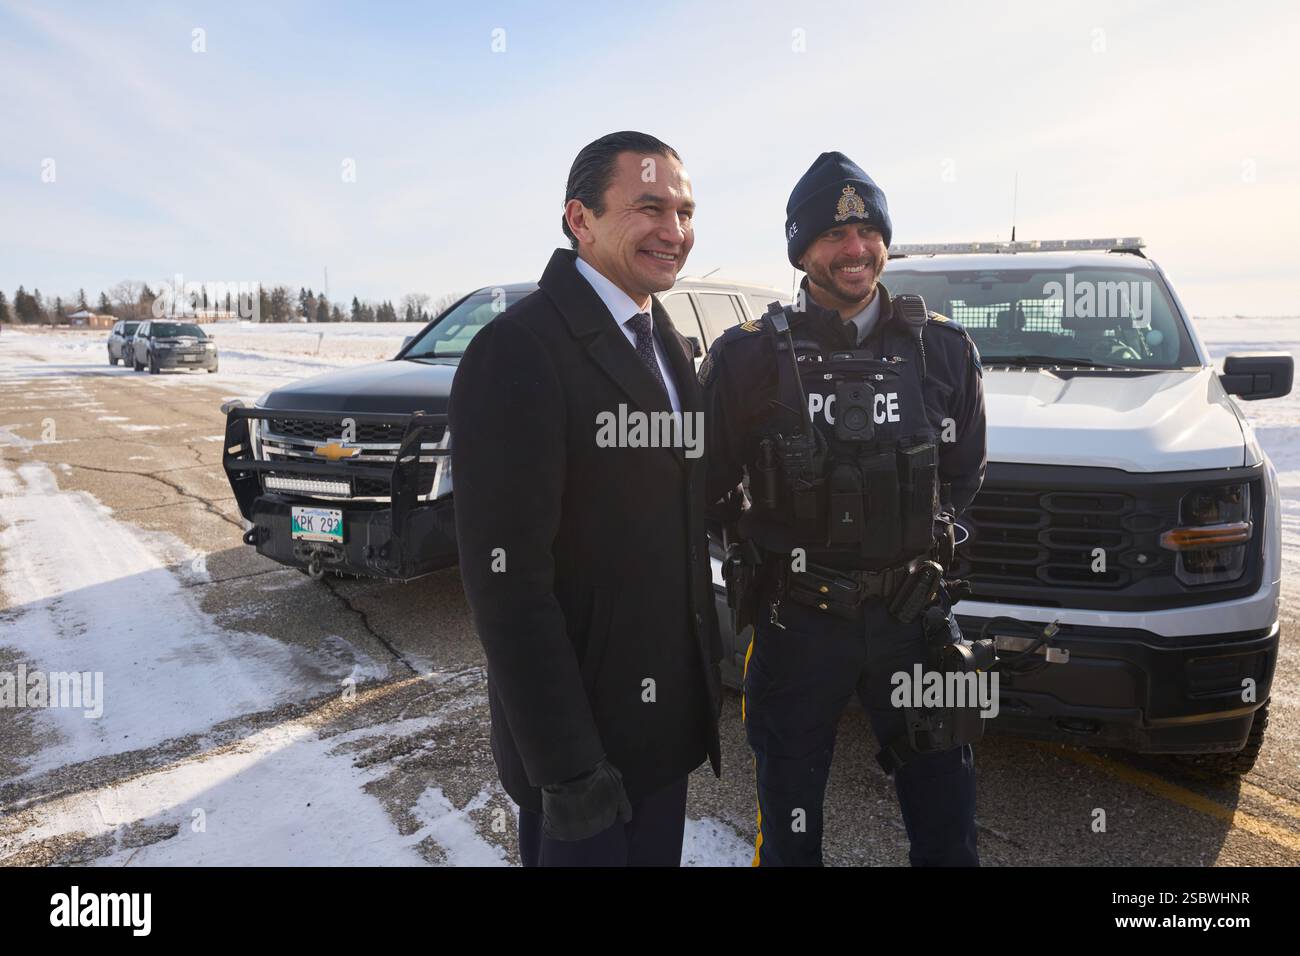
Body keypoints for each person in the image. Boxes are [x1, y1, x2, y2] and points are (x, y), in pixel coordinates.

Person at [700, 151, 987, 866]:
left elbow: (964, 476)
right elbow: (703, 487)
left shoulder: (947, 350)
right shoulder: (745, 357)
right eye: (833, 236)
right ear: (801, 249)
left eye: (868, 233)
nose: (855, 250)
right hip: (794, 623)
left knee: (949, 830)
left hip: (916, 619)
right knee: (790, 833)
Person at [449, 131, 722, 867]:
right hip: (586, 753)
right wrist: (569, 770)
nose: (675, 232)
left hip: (662, 732)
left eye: (686, 211)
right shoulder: (520, 349)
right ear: (581, 219)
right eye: (650, 208)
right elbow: (506, 582)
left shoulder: (662, 340)